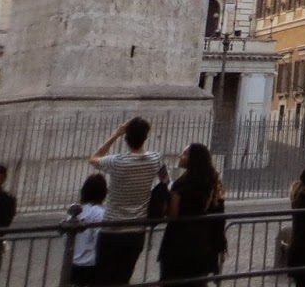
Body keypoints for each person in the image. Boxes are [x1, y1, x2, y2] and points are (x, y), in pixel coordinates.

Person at [87, 117, 160, 285]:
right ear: (146, 137)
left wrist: (115, 135)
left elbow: (94, 158)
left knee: (104, 279)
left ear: (126, 139)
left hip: (112, 229)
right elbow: (165, 181)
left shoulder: (118, 162)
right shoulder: (155, 159)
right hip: (137, 231)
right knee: (123, 279)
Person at [158, 143, 223, 287]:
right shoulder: (213, 179)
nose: (181, 156)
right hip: (202, 240)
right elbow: (217, 205)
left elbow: (173, 215)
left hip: (178, 241)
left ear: (194, 159)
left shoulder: (180, 185)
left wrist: (166, 195)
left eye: (185, 154)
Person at [70, 173, 108, 286]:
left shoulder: (75, 212)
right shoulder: (99, 213)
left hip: (73, 262)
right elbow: (100, 241)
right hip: (90, 264)